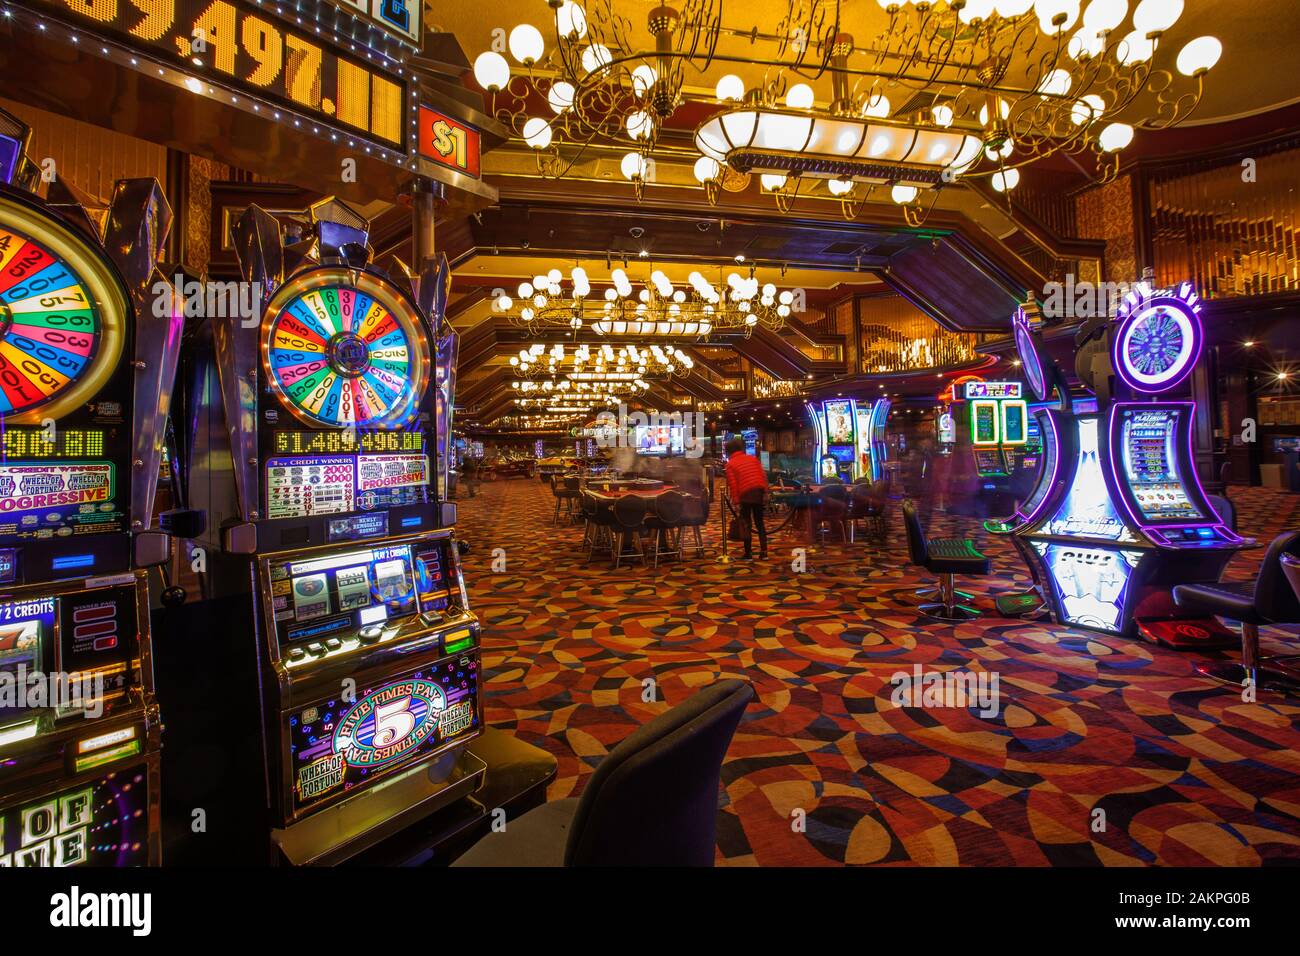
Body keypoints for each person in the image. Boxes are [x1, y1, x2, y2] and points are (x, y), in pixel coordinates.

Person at [724, 436, 769, 560]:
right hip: (758, 492)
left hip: (745, 494)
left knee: (746, 525)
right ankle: (764, 552)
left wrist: (736, 502)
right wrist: (765, 492)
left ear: (728, 451)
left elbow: (733, 485)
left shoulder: (730, 464)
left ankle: (748, 553)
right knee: (760, 524)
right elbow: (762, 476)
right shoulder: (753, 459)